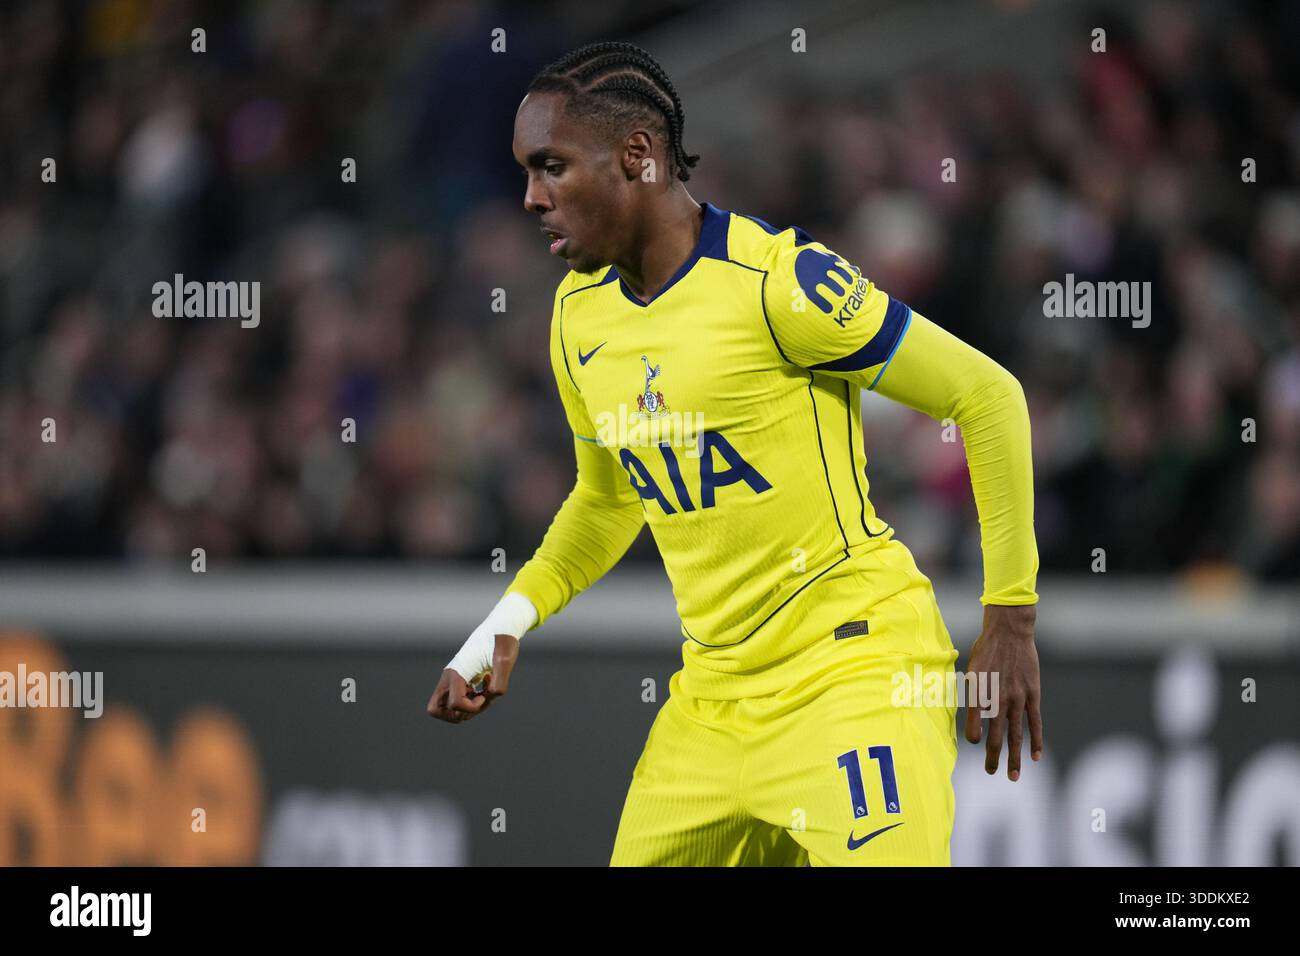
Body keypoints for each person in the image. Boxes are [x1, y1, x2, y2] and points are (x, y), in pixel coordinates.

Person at [428, 40, 1042, 866]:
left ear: (638, 157)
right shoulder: (578, 316)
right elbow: (609, 498)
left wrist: (1010, 617)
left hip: (849, 673)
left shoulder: (781, 285)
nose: (532, 198)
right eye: (527, 172)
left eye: (551, 167)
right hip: (711, 704)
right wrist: (509, 620)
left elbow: (987, 396)